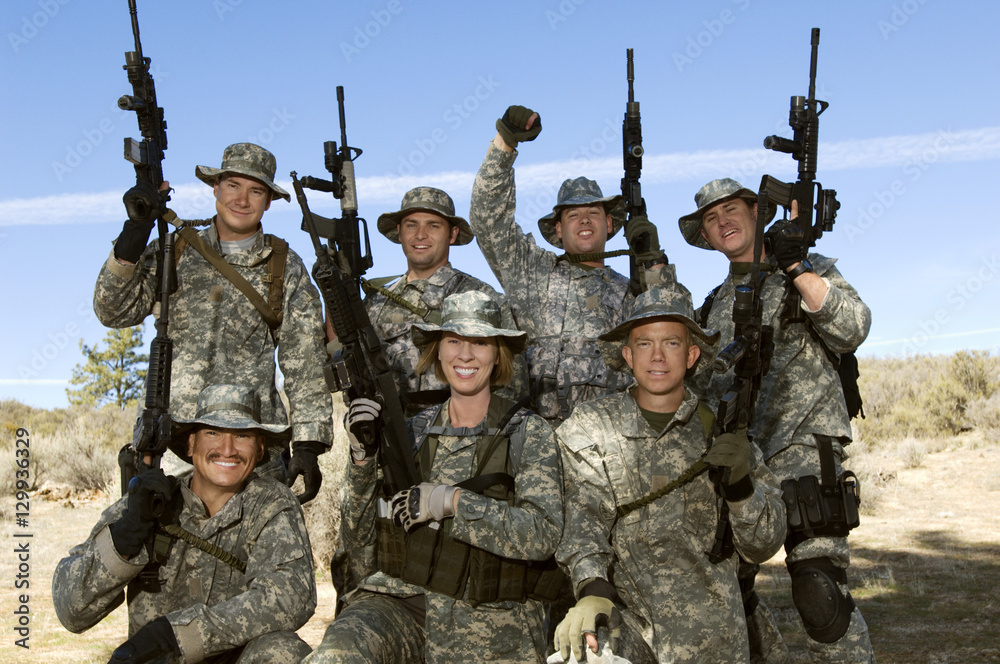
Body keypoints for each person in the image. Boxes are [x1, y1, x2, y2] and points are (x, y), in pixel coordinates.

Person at [305, 291, 563, 664]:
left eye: (480, 342)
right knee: (336, 655)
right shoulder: (409, 432)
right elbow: (358, 539)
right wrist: (362, 457)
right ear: (438, 352)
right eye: (454, 341)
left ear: (498, 354)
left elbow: (542, 535)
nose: (466, 354)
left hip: (492, 621)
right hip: (400, 605)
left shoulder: (529, 433)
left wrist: (453, 502)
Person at [679, 178, 875, 663]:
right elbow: (701, 391)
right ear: (705, 234)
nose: (723, 221)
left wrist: (795, 266)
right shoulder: (710, 305)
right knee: (731, 598)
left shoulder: (808, 268)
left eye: (732, 209)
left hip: (805, 452)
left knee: (819, 591)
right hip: (742, 464)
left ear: (756, 212)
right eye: (711, 217)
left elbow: (853, 328)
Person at [554, 287, 786, 664]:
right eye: (644, 343)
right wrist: (592, 587)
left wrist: (741, 486)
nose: (657, 356)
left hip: (711, 636)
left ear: (691, 355)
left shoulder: (722, 432)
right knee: (579, 656)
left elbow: (763, 545)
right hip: (623, 621)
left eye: (672, 343)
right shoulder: (590, 426)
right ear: (628, 355)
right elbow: (582, 520)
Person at [94, 142, 332, 502]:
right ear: (215, 188)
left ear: (268, 201)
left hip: (251, 454)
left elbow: (306, 361)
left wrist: (309, 444)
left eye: (255, 190)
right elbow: (113, 310)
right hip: (170, 449)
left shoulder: (285, 266)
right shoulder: (173, 250)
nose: (242, 199)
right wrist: (136, 229)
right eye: (233, 186)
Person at [52, 384, 316, 663]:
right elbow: (72, 611)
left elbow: (290, 597)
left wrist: (174, 636)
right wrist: (124, 538)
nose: (227, 449)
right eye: (212, 433)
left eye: (242, 435)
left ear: (260, 449)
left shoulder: (272, 503)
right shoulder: (148, 503)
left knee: (283, 652)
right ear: (190, 444)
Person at [470, 104, 689, 426]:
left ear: (610, 225)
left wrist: (655, 265)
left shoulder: (634, 288)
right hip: (540, 441)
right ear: (558, 230)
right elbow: (488, 221)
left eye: (594, 213)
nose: (584, 219)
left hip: (616, 443)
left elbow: (677, 335)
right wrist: (505, 143)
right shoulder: (531, 272)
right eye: (572, 214)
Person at [353, 186, 527, 417]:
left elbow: (513, 386)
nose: (420, 235)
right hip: (387, 439)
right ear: (400, 232)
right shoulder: (375, 302)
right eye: (411, 225)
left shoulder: (485, 299)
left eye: (433, 226)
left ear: (452, 234)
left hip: (460, 439)